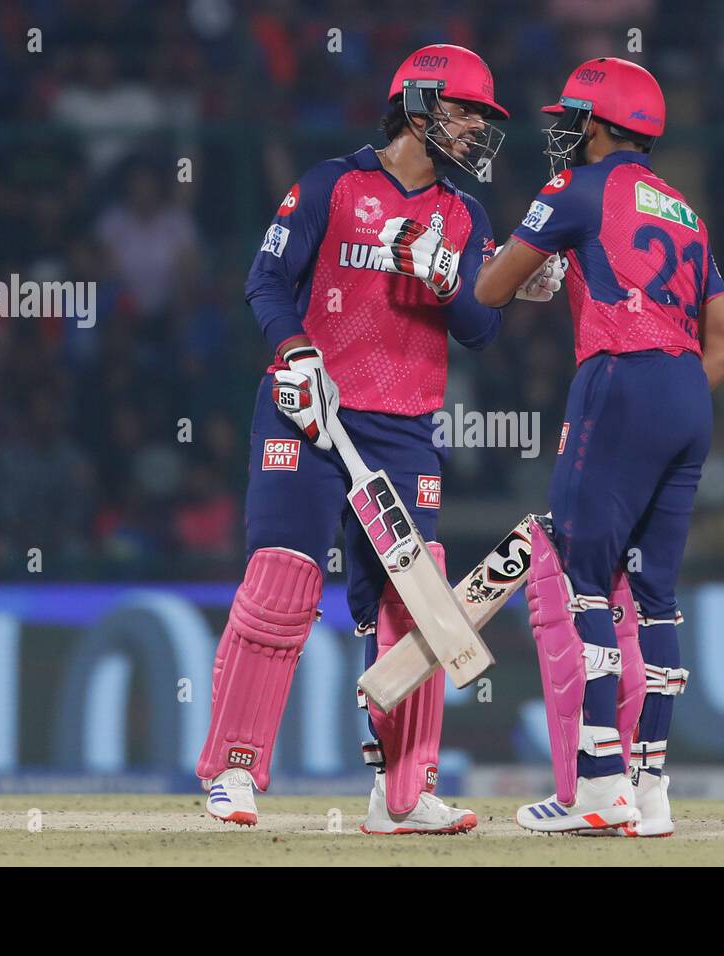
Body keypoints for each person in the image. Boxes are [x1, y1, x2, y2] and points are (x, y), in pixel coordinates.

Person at [197, 44, 553, 834]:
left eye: (482, 118)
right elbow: (265, 280)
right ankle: (234, 769)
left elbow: (483, 331)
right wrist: (295, 353)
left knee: (417, 609)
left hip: (402, 429)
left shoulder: (464, 216)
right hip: (306, 408)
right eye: (464, 112)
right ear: (419, 106)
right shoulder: (333, 183)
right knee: (285, 580)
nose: (476, 130)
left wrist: (447, 281)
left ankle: (402, 794)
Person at [474, 57, 724, 836]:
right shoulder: (686, 211)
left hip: (618, 378)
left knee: (580, 579)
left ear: (599, 123)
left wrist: (512, 263)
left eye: (573, 117)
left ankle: (598, 781)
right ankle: (651, 787)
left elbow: (492, 290)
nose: (564, 129)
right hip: (686, 396)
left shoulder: (575, 190)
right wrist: (672, 393)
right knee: (655, 595)